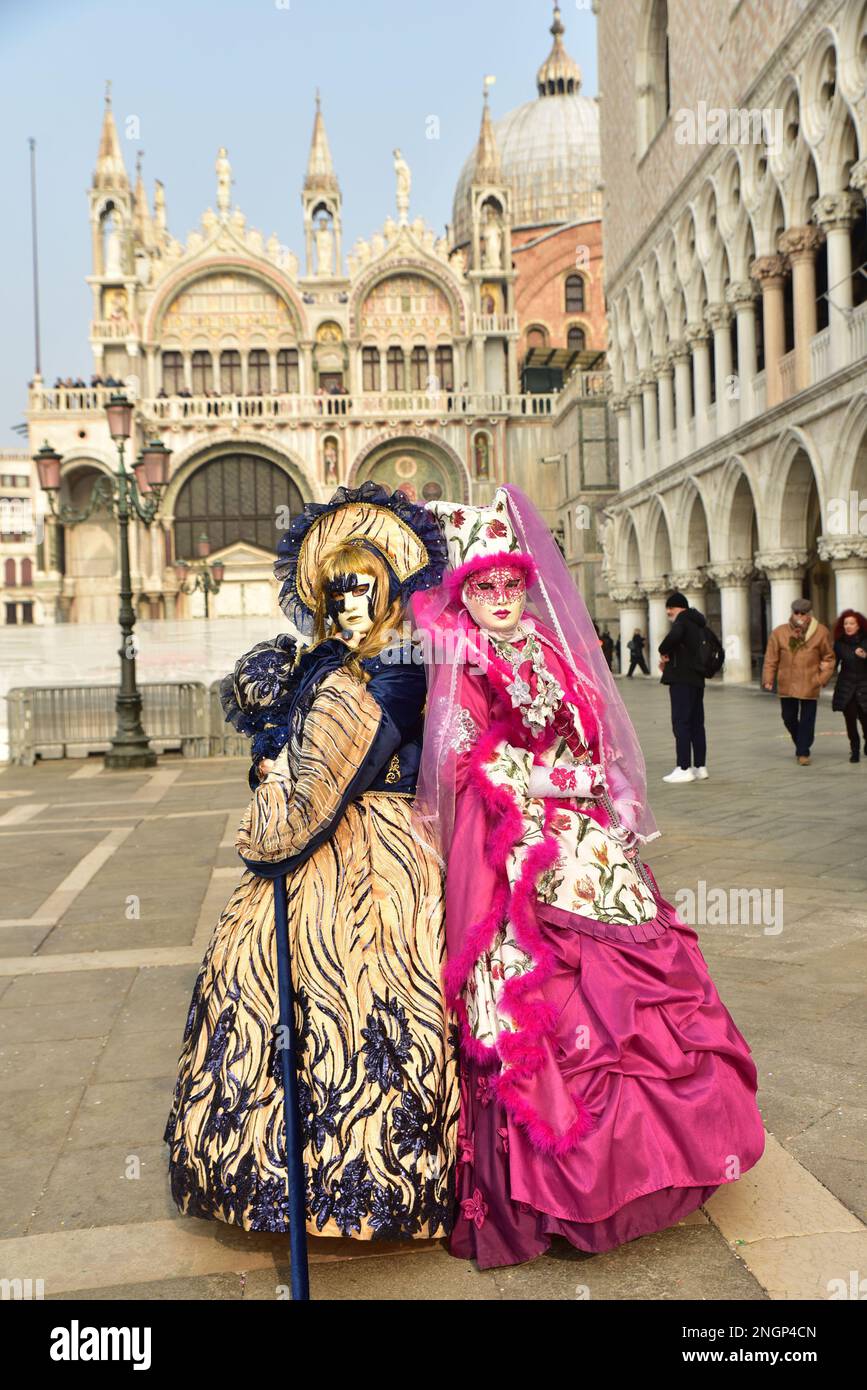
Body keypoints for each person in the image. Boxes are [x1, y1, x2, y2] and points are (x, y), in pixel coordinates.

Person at [411, 486, 764, 1269]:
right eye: (485, 588)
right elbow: (463, 757)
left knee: (643, 999)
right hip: (517, 848)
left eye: (511, 585)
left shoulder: (552, 646)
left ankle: (654, 1169)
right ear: (464, 592)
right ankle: (561, 1193)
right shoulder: (461, 657)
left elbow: (592, 727)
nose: (502, 600)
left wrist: (603, 786)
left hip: (590, 850)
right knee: (547, 1007)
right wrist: (551, 786)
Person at [164, 482, 459, 1241]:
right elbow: (284, 760)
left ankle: (374, 1184)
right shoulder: (318, 667)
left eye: (363, 587)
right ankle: (276, 1175)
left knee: (377, 992)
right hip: (310, 842)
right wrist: (268, 765)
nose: (350, 603)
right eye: (336, 590)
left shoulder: (399, 668)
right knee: (261, 980)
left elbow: (346, 767)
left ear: (392, 588)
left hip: (382, 853)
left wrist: (285, 790)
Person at [762, 597, 835, 766]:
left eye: (803, 613)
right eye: (796, 613)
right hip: (787, 681)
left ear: (809, 614)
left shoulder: (821, 632)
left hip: (810, 681)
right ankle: (802, 743)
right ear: (792, 613)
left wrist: (821, 679)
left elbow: (829, 657)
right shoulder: (779, 632)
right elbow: (771, 658)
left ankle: (803, 752)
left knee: (808, 719)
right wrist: (768, 679)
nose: (799, 616)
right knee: (788, 717)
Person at [658, 592, 708, 783]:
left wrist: (663, 650)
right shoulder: (698, 623)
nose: (668, 612)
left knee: (681, 722)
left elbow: (671, 640)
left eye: (670, 608)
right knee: (697, 723)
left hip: (682, 679)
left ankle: (684, 767)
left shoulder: (682, 622)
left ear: (677, 607)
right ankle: (700, 767)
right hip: (697, 679)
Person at [831, 608, 867, 763]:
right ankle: (854, 749)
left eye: (852, 623)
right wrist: (820, 677)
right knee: (850, 720)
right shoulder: (839, 644)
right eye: (846, 623)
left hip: (865, 685)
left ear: (859, 625)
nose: (848, 626)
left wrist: (866, 656)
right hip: (846, 686)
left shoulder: (866, 641)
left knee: (866, 720)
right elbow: (832, 664)